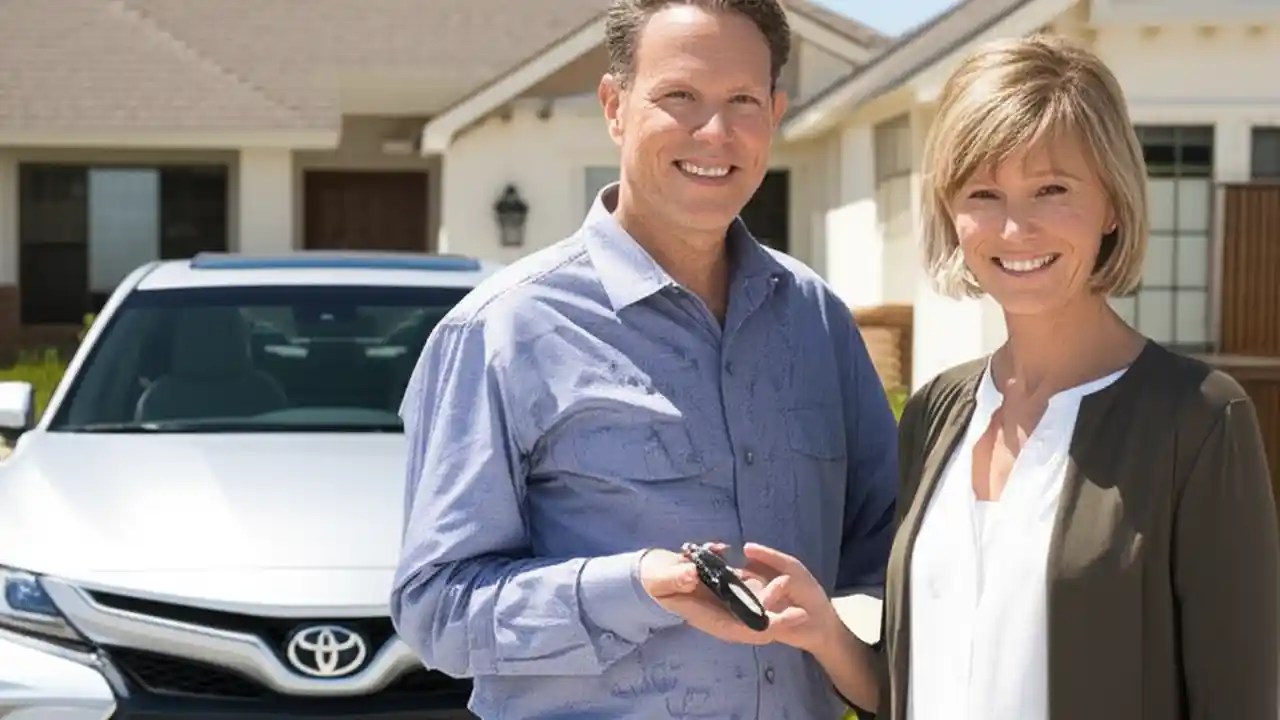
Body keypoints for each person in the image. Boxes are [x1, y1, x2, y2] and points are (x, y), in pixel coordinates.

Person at [658, 33, 1280, 720]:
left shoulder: (1196, 420)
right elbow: (912, 692)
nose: (1015, 228)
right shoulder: (937, 412)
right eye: (985, 192)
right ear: (953, 215)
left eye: (1052, 189)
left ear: (1112, 203)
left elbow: (1239, 698)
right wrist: (824, 633)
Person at [387, 1, 900, 717]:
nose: (714, 132)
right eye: (679, 97)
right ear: (614, 106)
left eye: (742, 101)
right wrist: (633, 588)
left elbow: (886, 567)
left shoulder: (816, 320)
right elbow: (436, 613)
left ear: (775, 113)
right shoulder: (502, 331)